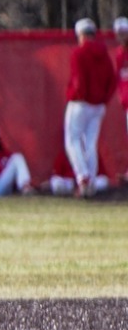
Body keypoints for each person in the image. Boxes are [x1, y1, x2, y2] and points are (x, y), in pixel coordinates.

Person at [63, 18, 114, 198]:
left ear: (81, 35)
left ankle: (83, 177)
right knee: (90, 143)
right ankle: (91, 180)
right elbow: (112, 80)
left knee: (72, 140)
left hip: (81, 103)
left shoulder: (79, 53)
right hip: (98, 105)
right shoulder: (104, 54)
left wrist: (77, 95)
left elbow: (79, 82)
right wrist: (103, 99)